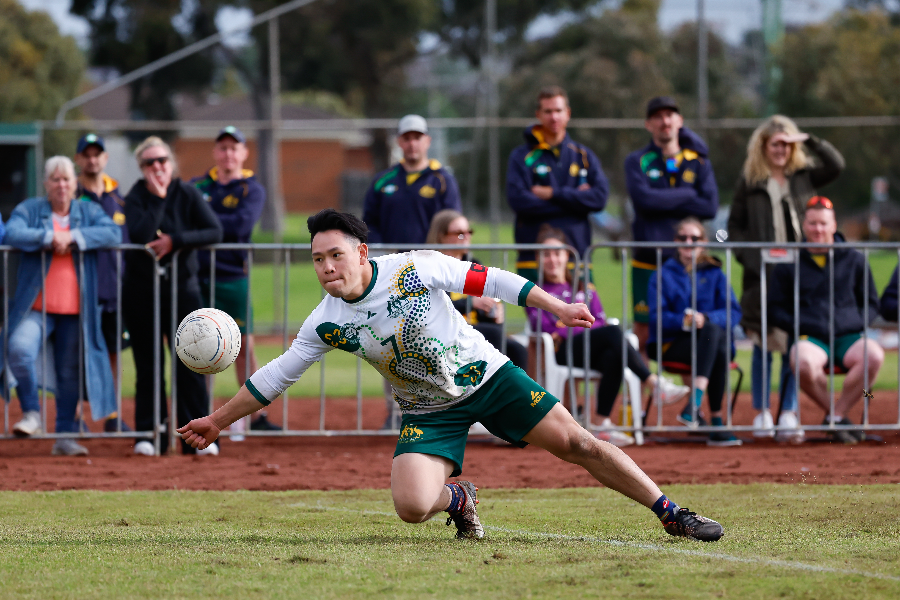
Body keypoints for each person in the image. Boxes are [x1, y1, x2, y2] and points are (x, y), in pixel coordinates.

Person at [178, 209, 725, 543]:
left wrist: (556, 307)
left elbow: (492, 280)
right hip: (426, 411)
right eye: (317, 259)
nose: (326, 268)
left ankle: (672, 513)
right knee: (413, 507)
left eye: (335, 256)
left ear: (361, 252)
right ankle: (458, 499)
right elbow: (274, 376)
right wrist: (217, 421)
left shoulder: (414, 268)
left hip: (488, 378)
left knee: (580, 444)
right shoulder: (325, 321)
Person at [728, 115, 845, 442]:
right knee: (764, 343)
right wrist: (749, 257)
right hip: (762, 275)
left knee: (796, 343)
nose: (781, 150)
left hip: (800, 273)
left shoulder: (803, 175)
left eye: (787, 144)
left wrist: (808, 141)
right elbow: (733, 227)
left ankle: (790, 412)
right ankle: (762, 412)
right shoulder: (750, 180)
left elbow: (836, 165)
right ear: (763, 145)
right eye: (775, 143)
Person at [529, 225, 689, 447]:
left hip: (592, 346)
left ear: (567, 256)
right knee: (613, 332)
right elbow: (548, 328)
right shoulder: (537, 292)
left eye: (557, 253)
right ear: (538, 258)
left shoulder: (584, 287)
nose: (552, 260)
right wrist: (582, 328)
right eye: (546, 254)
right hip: (563, 351)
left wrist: (573, 326)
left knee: (614, 355)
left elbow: (600, 320)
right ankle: (653, 382)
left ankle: (601, 423)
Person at [2, 156, 120, 455]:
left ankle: (65, 437)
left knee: (69, 374)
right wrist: (48, 237)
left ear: (75, 183)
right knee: (17, 347)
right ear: (46, 183)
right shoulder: (30, 209)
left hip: (75, 312)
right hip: (36, 308)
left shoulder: (88, 210)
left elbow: (112, 232)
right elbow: (12, 232)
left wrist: (75, 236)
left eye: (66, 179)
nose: (61, 185)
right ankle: (31, 412)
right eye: (55, 179)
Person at [123, 136, 223, 456]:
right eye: (149, 163)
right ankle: (149, 435)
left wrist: (175, 241)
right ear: (141, 168)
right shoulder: (137, 196)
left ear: (171, 162)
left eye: (162, 160)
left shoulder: (188, 192)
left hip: (184, 291)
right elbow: (139, 233)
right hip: (142, 293)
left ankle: (196, 439)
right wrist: (158, 198)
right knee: (148, 365)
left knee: (191, 365)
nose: (157, 167)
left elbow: (214, 231)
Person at [769, 197, 882, 445]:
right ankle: (837, 416)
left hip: (848, 336)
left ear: (834, 225)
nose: (818, 229)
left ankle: (835, 415)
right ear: (804, 225)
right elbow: (775, 307)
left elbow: (872, 303)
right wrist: (799, 324)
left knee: (874, 356)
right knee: (802, 361)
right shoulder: (790, 261)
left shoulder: (854, 258)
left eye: (823, 223)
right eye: (812, 223)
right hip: (810, 337)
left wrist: (853, 321)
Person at [191, 126, 278, 433]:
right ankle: (199, 411)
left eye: (234, 148)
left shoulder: (251, 189)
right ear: (215, 152)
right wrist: (212, 222)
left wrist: (204, 220)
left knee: (243, 346)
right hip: (197, 277)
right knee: (198, 346)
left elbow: (241, 226)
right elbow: (189, 217)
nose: (228, 154)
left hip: (232, 276)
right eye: (223, 148)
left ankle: (257, 416)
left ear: (243, 153)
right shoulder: (197, 184)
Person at [624, 96, 718, 359]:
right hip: (647, 260)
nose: (665, 121)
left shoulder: (698, 161)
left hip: (687, 263)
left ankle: (694, 400)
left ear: (679, 121)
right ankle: (639, 400)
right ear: (648, 124)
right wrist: (688, 195)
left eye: (670, 115)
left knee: (692, 328)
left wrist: (662, 199)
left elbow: (710, 206)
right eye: (658, 116)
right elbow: (643, 202)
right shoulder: (637, 161)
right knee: (642, 331)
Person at [647, 218, 743, 447]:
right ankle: (716, 422)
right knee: (716, 337)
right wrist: (684, 321)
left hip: (709, 341)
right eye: (683, 238)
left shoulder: (715, 274)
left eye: (694, 238)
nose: (688, 242)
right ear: (676, 242)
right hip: (673, 344)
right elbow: (656, 317)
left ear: (704, 242)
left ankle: (695, 405)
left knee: (714, 332)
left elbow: (733, 312)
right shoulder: (661, 275)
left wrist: (706, 318)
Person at [506, 85, 608, 281]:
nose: (554, 117)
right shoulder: (521, 156)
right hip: (533, 258)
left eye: (558, 111)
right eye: (548, 111)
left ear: (568, 113)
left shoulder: (583, 156)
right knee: (539, 313)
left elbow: (599, 199)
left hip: (576, 254)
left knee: (580, 311)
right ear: (538, 114)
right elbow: (518, 201)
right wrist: (577, 201)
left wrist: (553, 193)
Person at [74, 133, 131, 432]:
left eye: (98, 154)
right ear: (78, 159)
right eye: (87, 154)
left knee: (112, 353)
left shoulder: (120, 198)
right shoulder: (71, 197)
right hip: (81, 291)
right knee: (77, 354)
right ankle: (75, 417)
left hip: (114, 292)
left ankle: (111, 415)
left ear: (105, 158)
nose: (92, 159)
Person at [425, 209, 528, 372]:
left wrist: (491, 310)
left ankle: (517, 397)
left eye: (469, 232)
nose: (467, 237)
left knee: (517, 349)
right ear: (441, 236)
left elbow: (485, 302)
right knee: (493, 335)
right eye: (460, 234)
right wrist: (471, 303)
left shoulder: (473, 264)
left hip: (474, 328)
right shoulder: (432, 267)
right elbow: (431, 306)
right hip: (445, 332)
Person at [362, 115, 462, 245]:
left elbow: (453, 224)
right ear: (399, 141)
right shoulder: (382, 180)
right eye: (407, 138)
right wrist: (380, 248)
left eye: (417, 138)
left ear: (428, 141)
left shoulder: (443, 180)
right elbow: (369, 223)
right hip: (392, 261)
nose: (412, 144)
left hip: (431, 260)